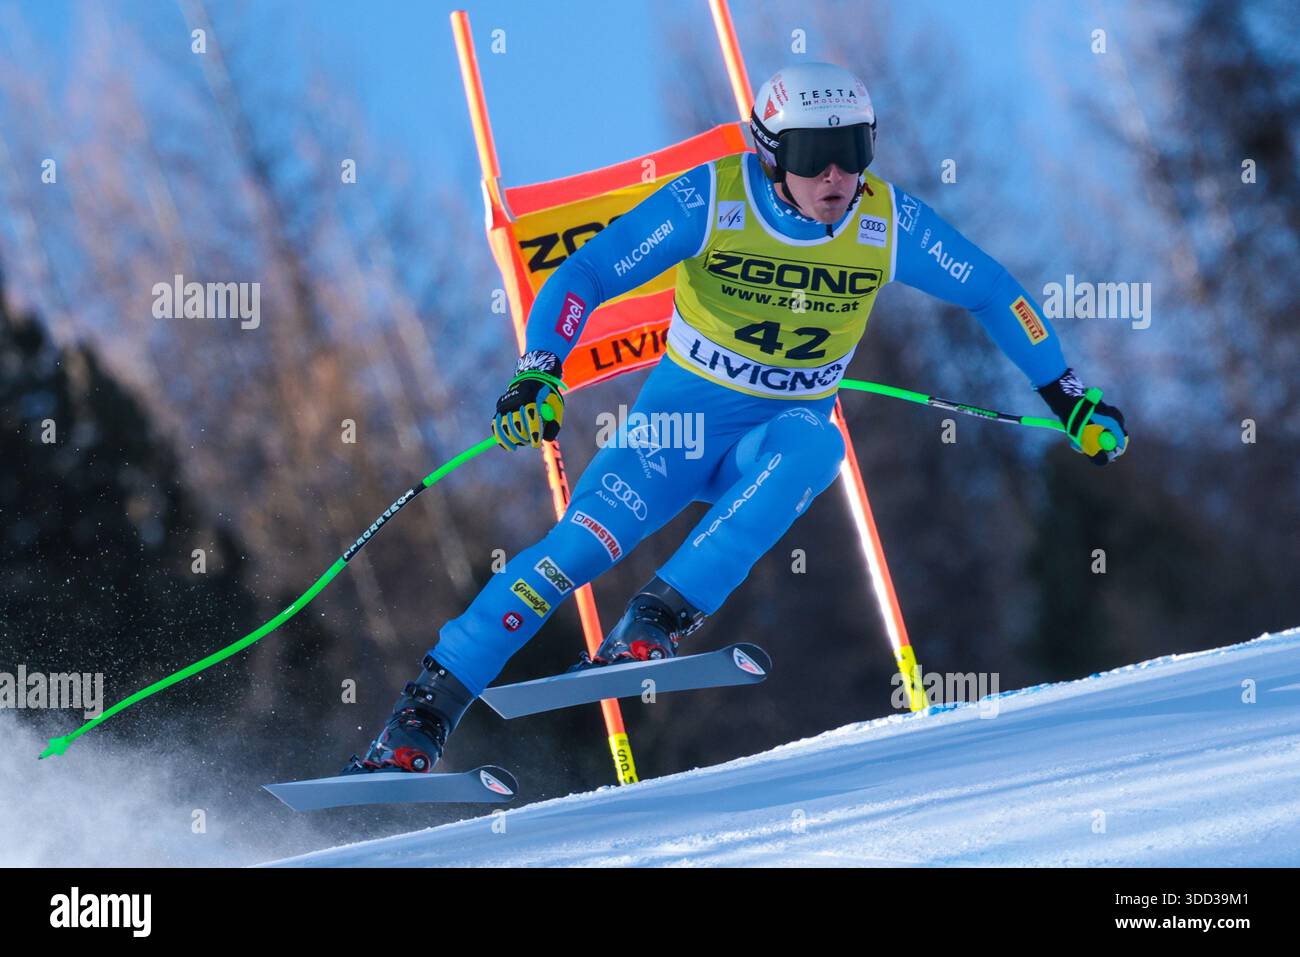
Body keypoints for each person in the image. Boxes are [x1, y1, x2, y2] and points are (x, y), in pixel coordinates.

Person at [342, 61, 1128, 775]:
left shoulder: (888, 222)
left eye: (853, 150)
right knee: (569, 555)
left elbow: (993, 290)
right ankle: (419, 719)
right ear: (769, 154)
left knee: (816, 442)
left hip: (771, 443)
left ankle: (654, 619)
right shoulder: (712, 198)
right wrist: (539, 369)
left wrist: (1069, 395)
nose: (836, 175)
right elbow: (587, 271)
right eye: (813, 154)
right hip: (671, 437)